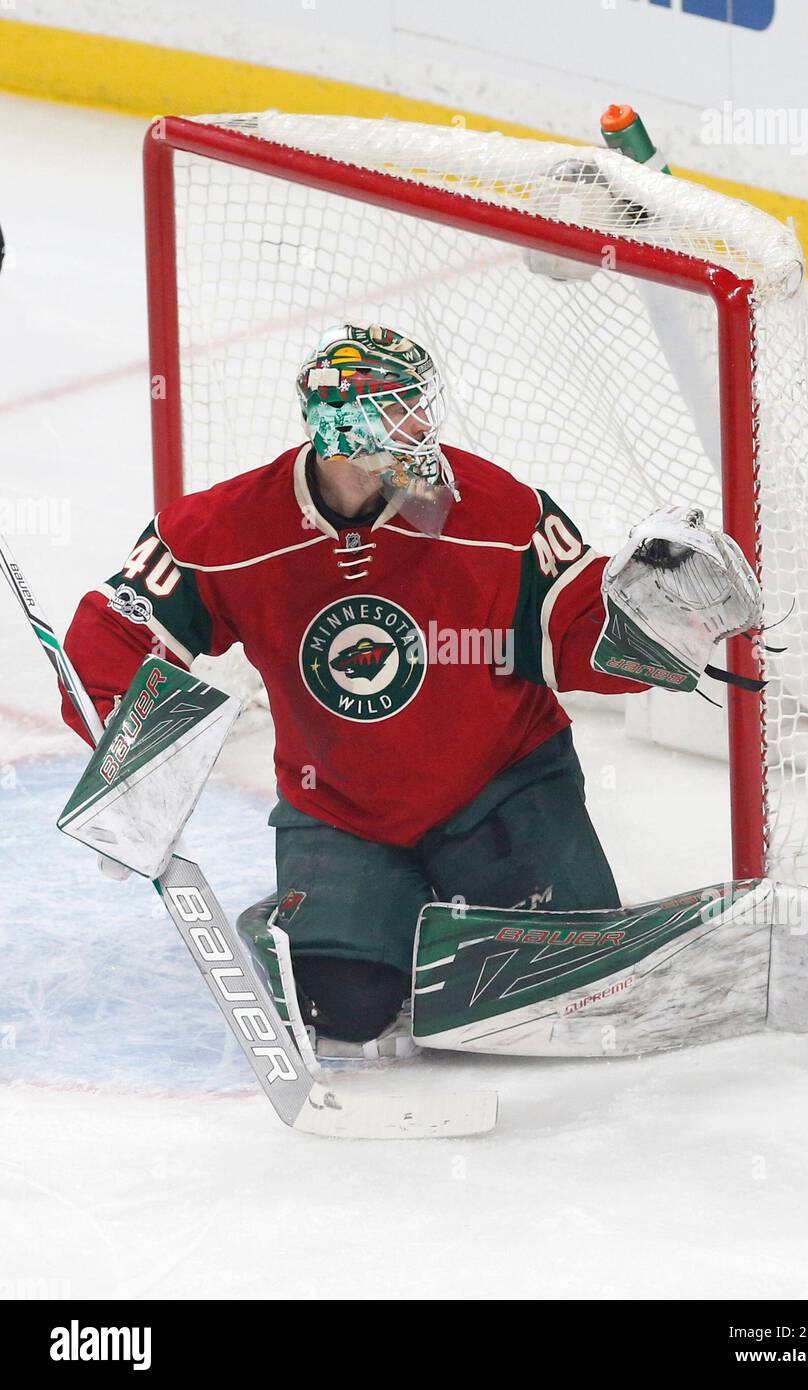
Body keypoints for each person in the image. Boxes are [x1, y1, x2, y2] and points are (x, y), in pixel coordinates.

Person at [61, 322, 758, 1057]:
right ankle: (317, 919)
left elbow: (571, 629)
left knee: (559, 987)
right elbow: (114, 631)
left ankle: (426, 911)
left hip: (505, 787)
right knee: (343, 1007)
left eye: (419, 404)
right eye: (399, 409)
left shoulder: (497, 509)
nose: (420, 426)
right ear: (342, 428)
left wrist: (646, 633)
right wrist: (127, 760)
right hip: (341, 810)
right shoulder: (226, 530)